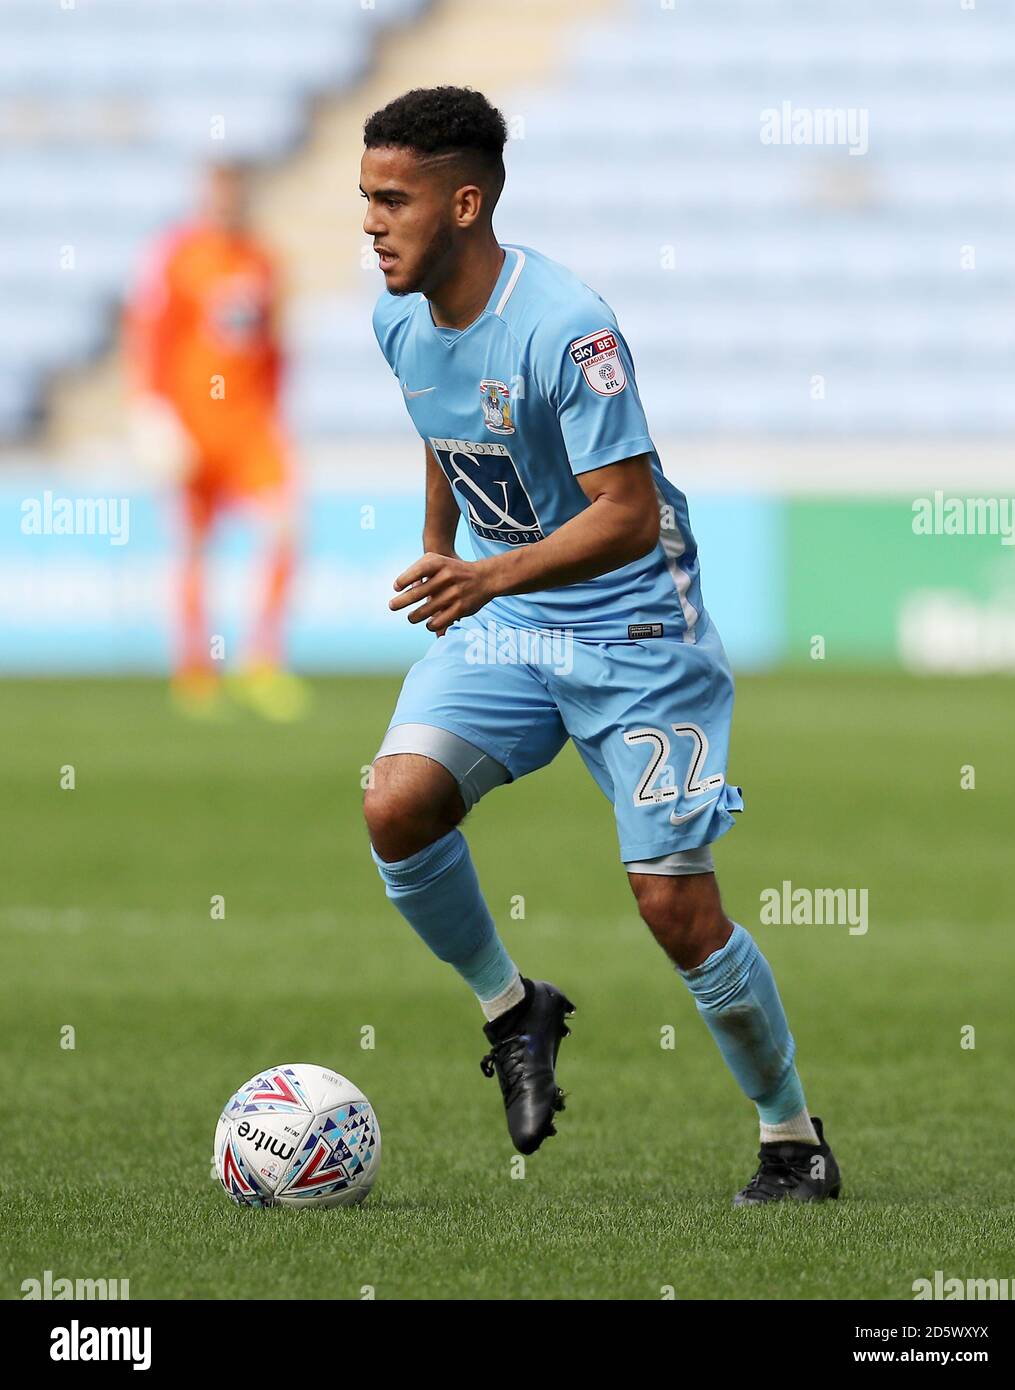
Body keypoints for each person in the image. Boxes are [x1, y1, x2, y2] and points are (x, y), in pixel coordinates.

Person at [361, 87, 840, 1205]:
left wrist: (486, 570)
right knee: (395, 803)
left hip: (635, 626)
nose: (371, 223)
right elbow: (442, 425)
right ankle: (511, 1009)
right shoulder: (395, 315)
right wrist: (444, 555)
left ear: (465, 201)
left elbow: (625, 513)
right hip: (514, 619)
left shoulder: (567, 325)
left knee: (673, 905)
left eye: (393, 199)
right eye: (364, 199)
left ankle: (791, 1137)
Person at [125, 162, 308, 721]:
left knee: (284, 529)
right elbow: (151, 337)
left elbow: (273, 347)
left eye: (235, 193)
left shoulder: (263, 261)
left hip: (251, 427)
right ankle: (196, 671)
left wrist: (276, 412)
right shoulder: (180, 257)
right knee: (193, 545)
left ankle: (261, 663)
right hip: (194, 426)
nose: (227, 204)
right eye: (219, 194)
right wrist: (152, 411)